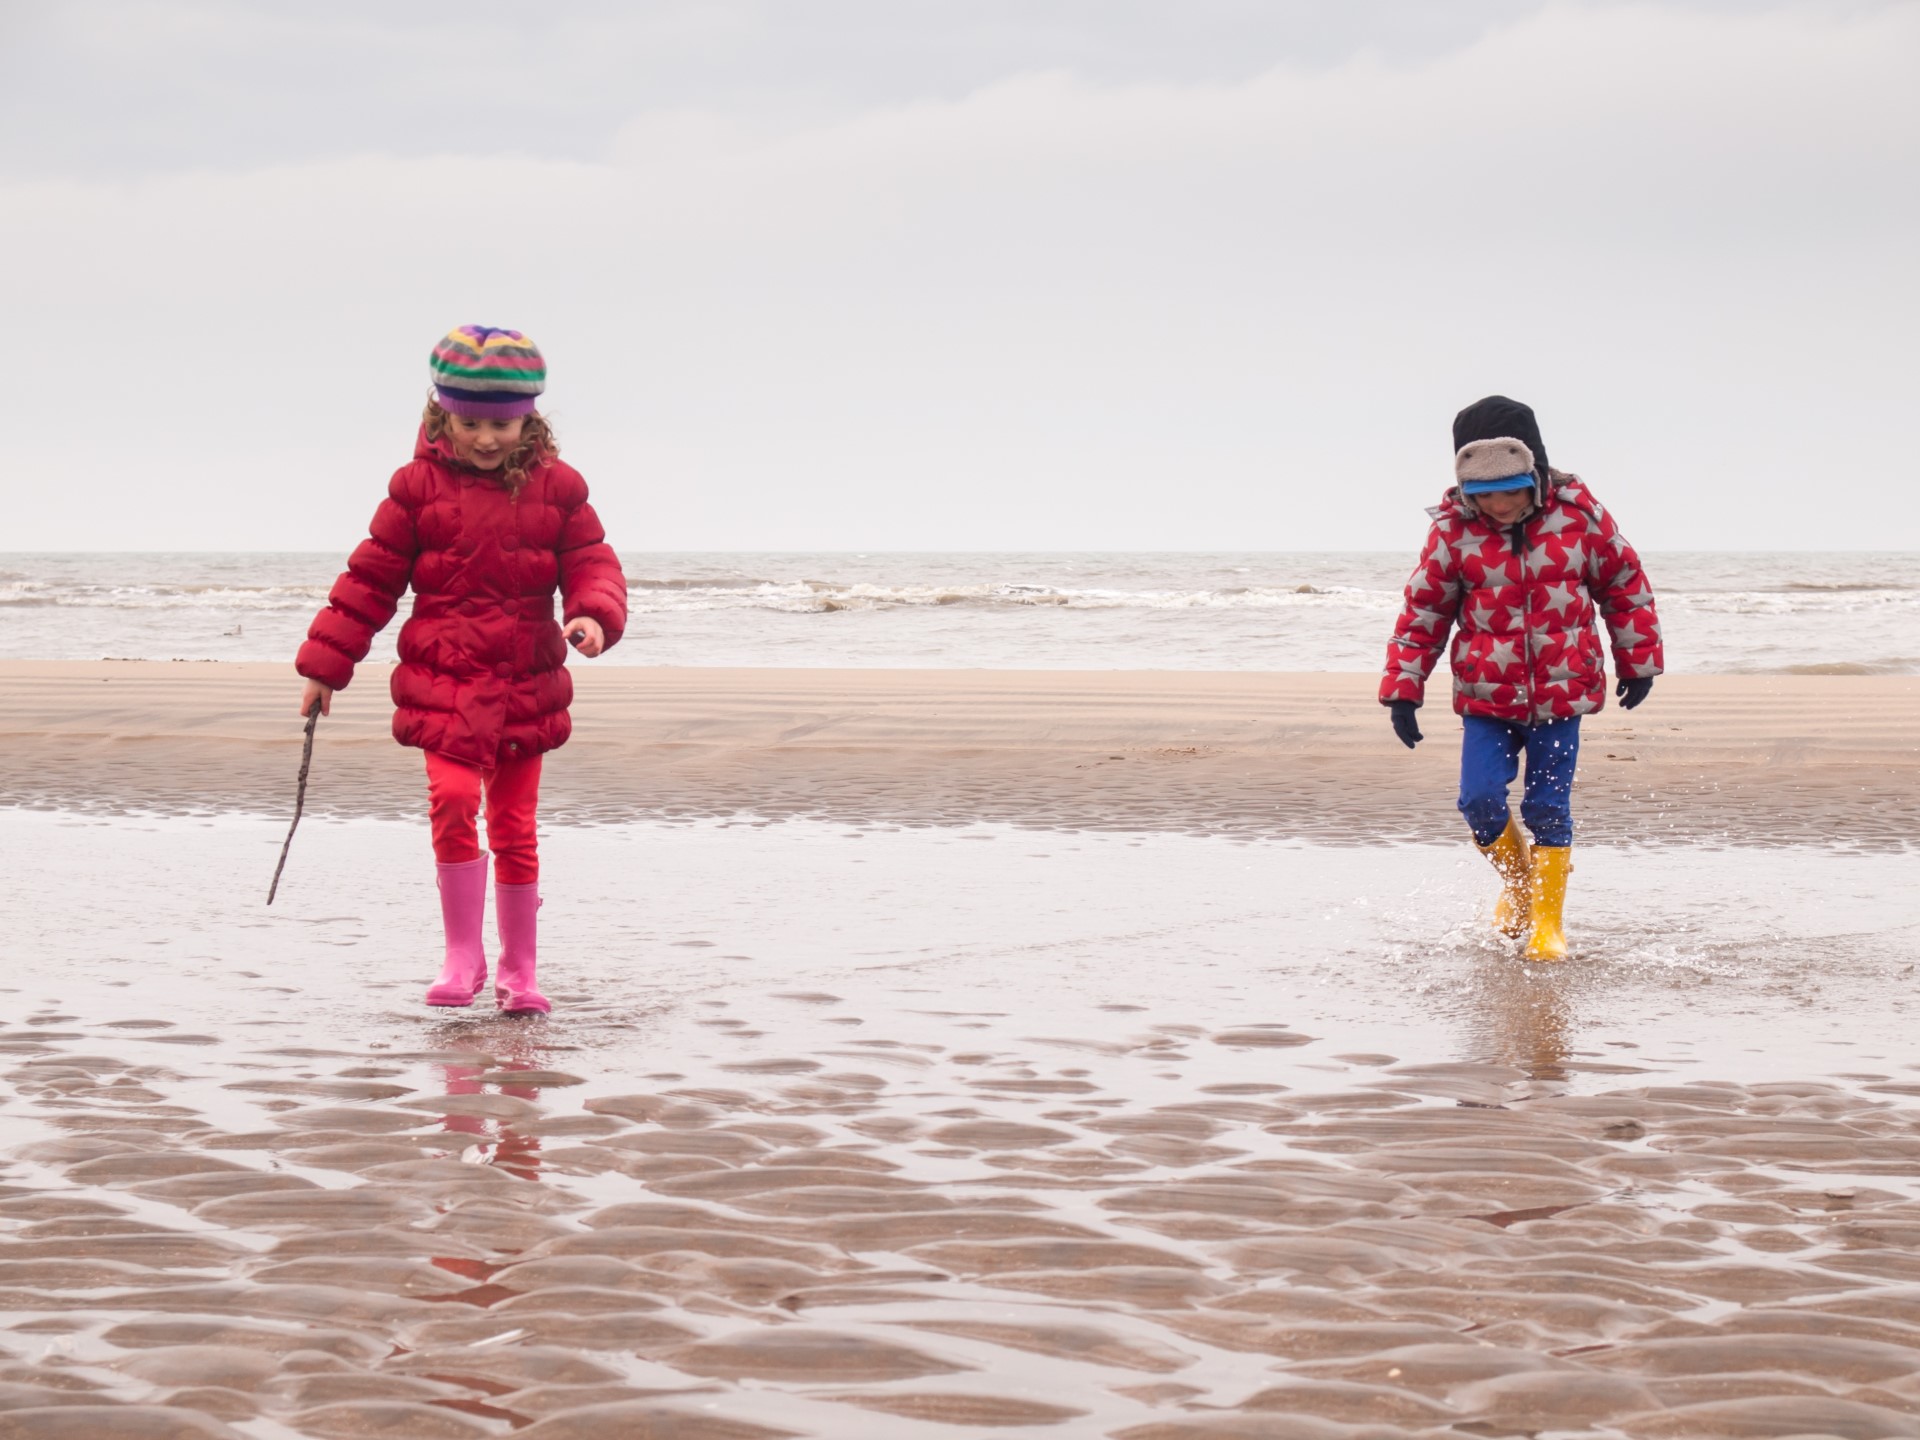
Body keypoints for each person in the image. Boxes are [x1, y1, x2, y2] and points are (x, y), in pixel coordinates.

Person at [295, 325, 627, 1012]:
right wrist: (326, 665)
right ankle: (460, 956)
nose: (484, 438)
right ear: (442, 412)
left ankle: (520, 969)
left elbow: (593, 561)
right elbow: (369, 580)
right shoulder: (416, 488)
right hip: (444, 681)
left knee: (514, 826)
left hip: (524, 683)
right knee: (450, 805)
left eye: (501, 424)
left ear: (528, 417)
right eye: (470, 421)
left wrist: (593, 613)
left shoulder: (557, 488)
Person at [1380, 396, 1662, 961]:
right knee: (1479, 800)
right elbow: (1424, 613)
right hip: (1487, 695)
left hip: (1563, 692)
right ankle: (1519, 882)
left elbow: (1624, 587)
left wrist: (1638, 660)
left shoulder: (1580, 516)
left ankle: (1548, 927)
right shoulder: (1454, 534)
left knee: (1546, 808)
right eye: (1484, 496)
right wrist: (1404, 689)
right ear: (1465, 488)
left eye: (1511, 490)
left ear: (1534, 475)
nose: (1500, 506)